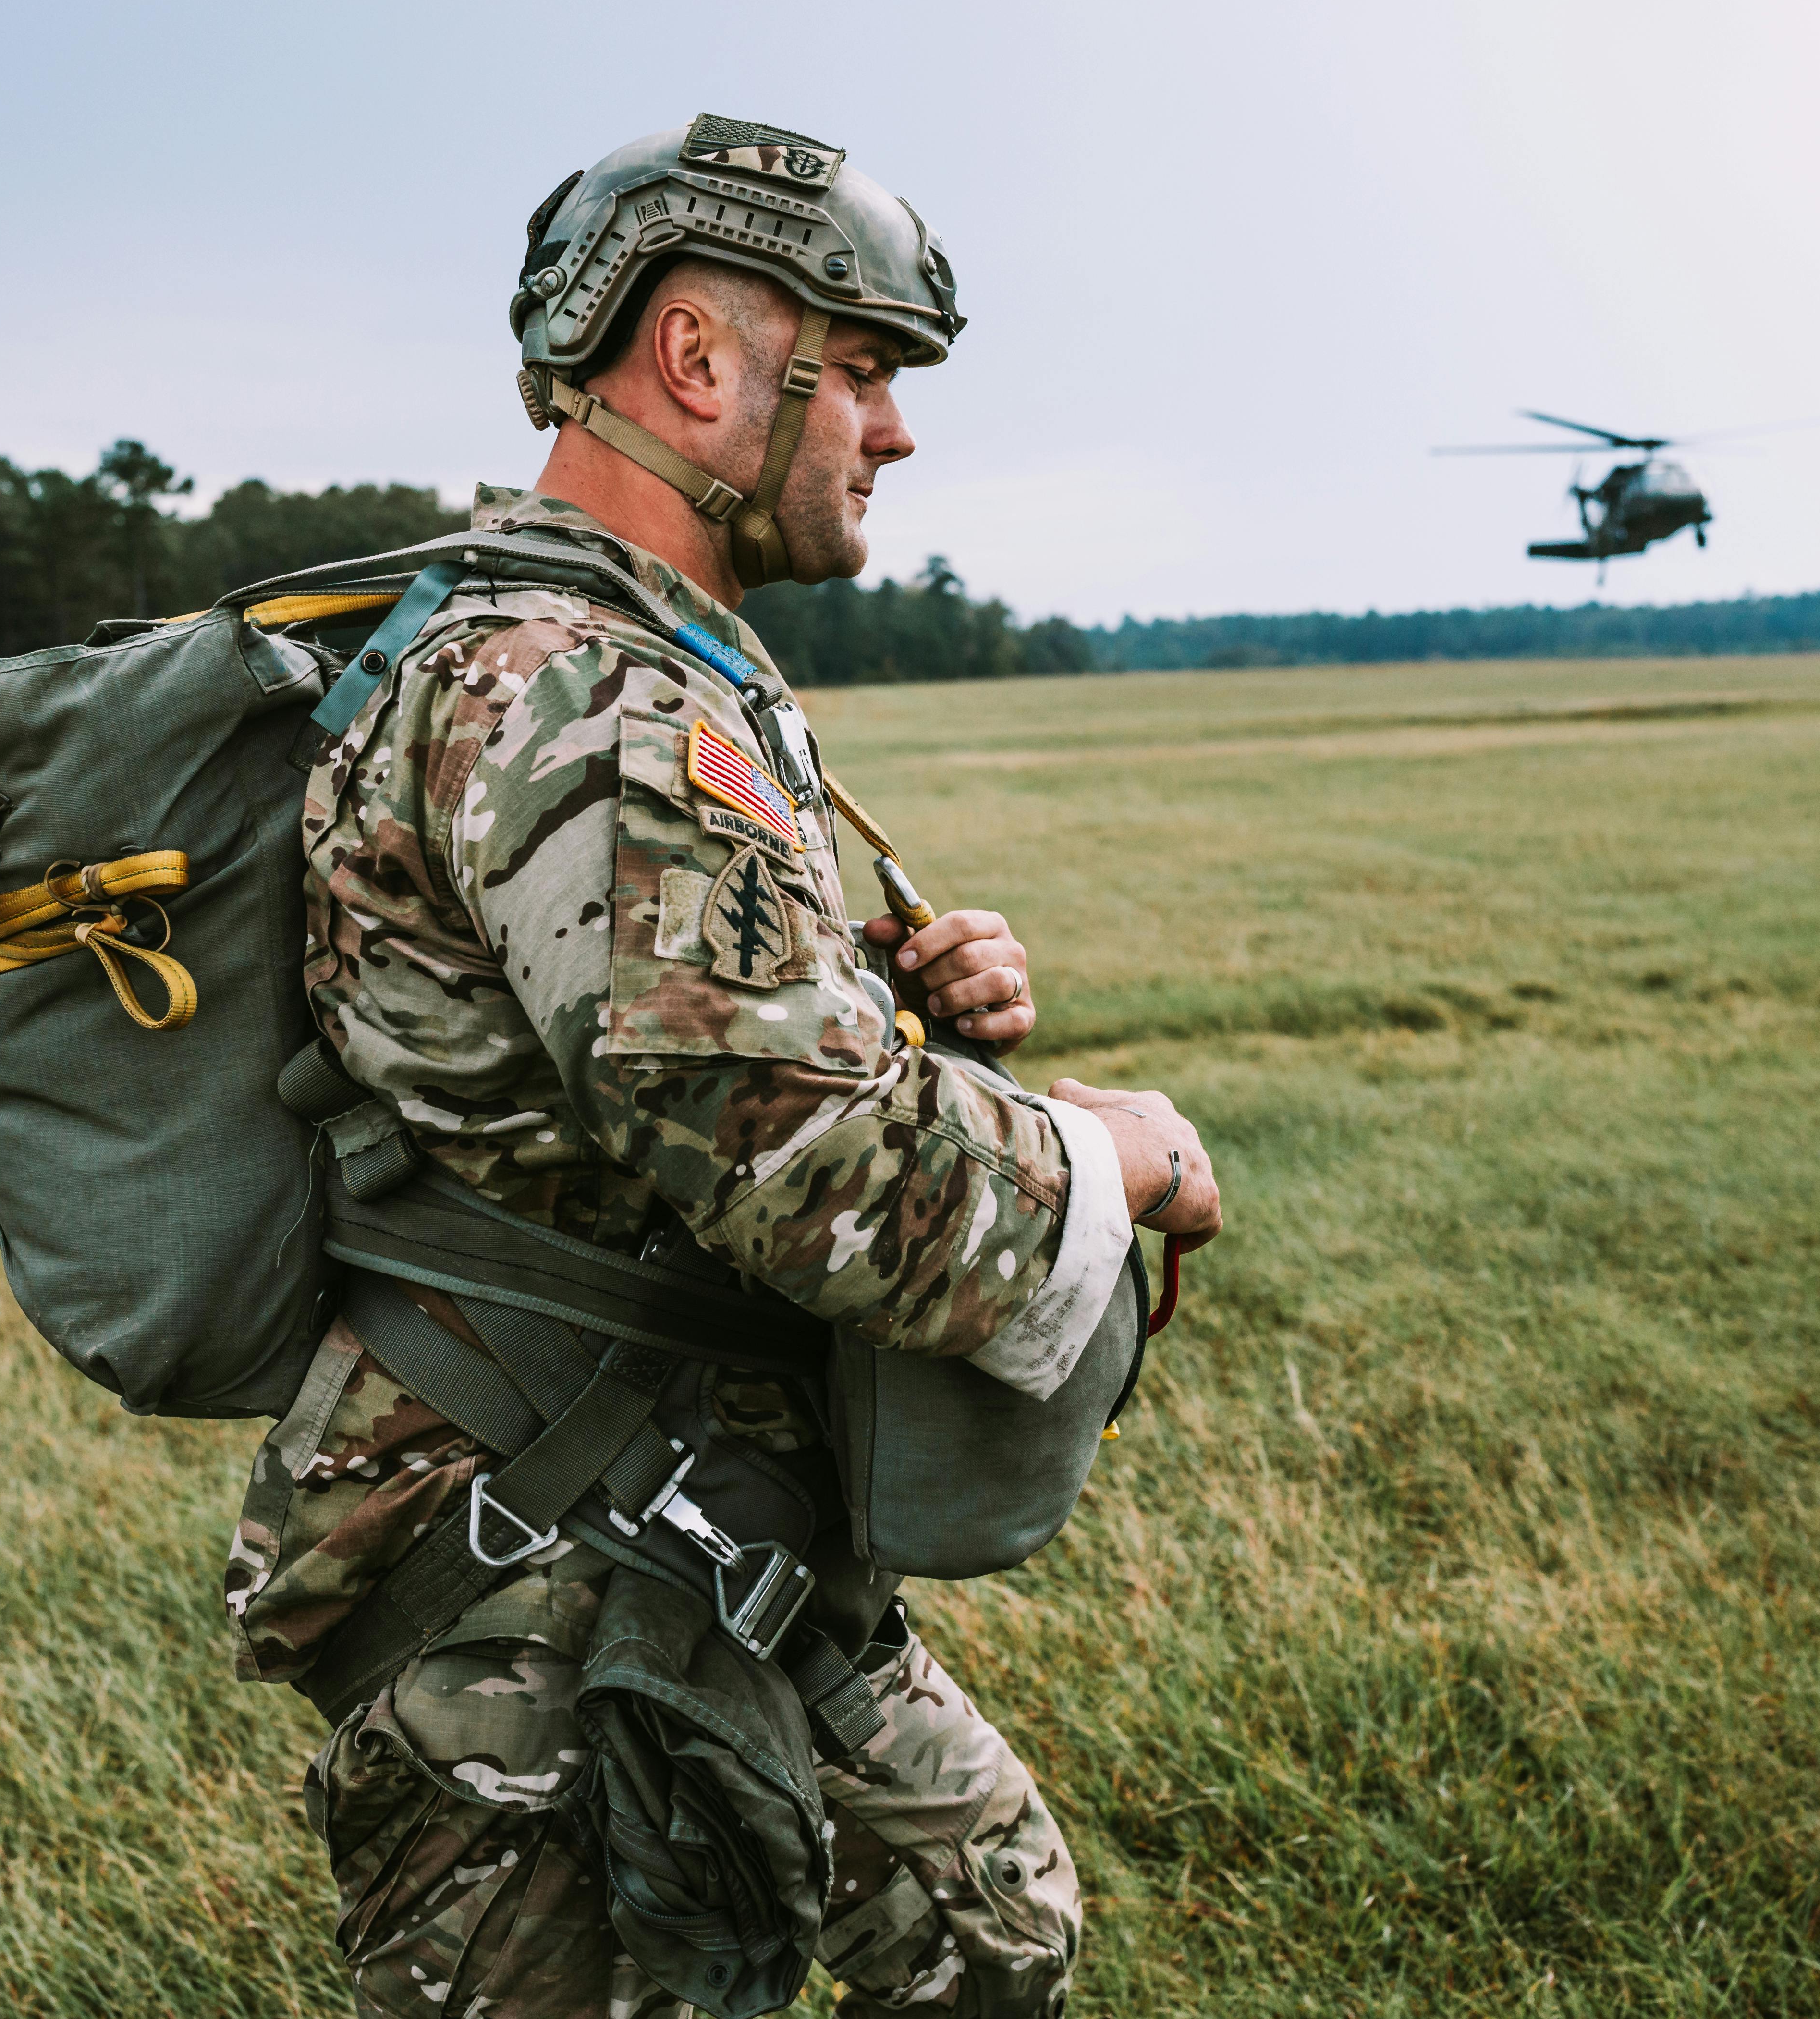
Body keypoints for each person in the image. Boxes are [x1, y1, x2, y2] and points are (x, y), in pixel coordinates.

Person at [221, 116, 1223, 2019]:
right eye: (859, 372)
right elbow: (813, 1174)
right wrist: (1119, 1152)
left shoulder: (605, 657)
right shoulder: (586, 699)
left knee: (987, 1930)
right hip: (536, 1557)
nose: (896, 431)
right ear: (697, 364)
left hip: (688, 1496)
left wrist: (901, 1011)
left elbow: (673, 1064)